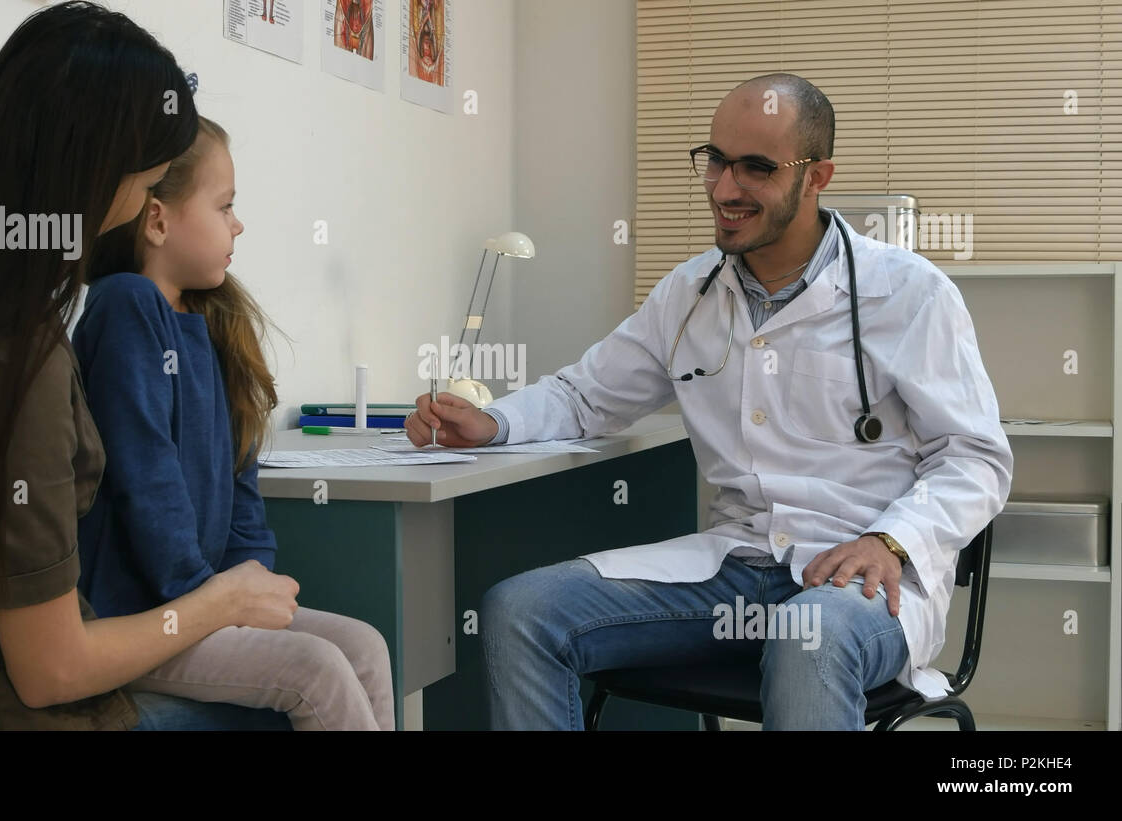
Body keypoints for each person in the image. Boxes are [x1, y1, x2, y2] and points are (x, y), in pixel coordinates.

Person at [404, 73, 1013, 730]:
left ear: (817, 177)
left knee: (810, 632)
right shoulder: (690, 292)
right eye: (716, 160)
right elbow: (585, 397)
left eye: (757, 167)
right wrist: (493, 422)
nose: (725, 188)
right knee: (522, 610)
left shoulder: (908, 293)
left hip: (856, 579)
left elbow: (976, 458)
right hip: (734, 568)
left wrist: (891, 539)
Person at [0, 1, 289, 730]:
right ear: (95, 174)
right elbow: (52, 669)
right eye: (147, 179)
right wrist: (222, 600)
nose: (141, 203)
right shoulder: (13, 351)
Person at [74, 116, 394, 731]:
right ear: (159, 219)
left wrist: (252, 587)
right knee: (319, 670)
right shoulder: (126, 306)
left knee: (365, 647)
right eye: (224, 206)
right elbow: (147, 485)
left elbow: (242, 487)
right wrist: (214, 601)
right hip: (140, 618)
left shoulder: (211, 321)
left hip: (206, 603)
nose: (238, 223)